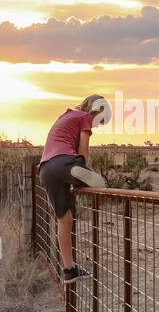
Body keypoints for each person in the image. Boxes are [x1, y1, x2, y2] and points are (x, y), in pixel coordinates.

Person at [38, 95, 107, 284]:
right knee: (84, 169)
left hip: (45, 169)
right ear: (95, 111)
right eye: (100, 119)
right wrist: (84, 164)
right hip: (64, 162)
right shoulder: (85, 117)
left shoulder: (66, 116)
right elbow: (84, 149)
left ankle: (69, 269)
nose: (98, 124)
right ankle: (79, 173)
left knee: (64, 219)